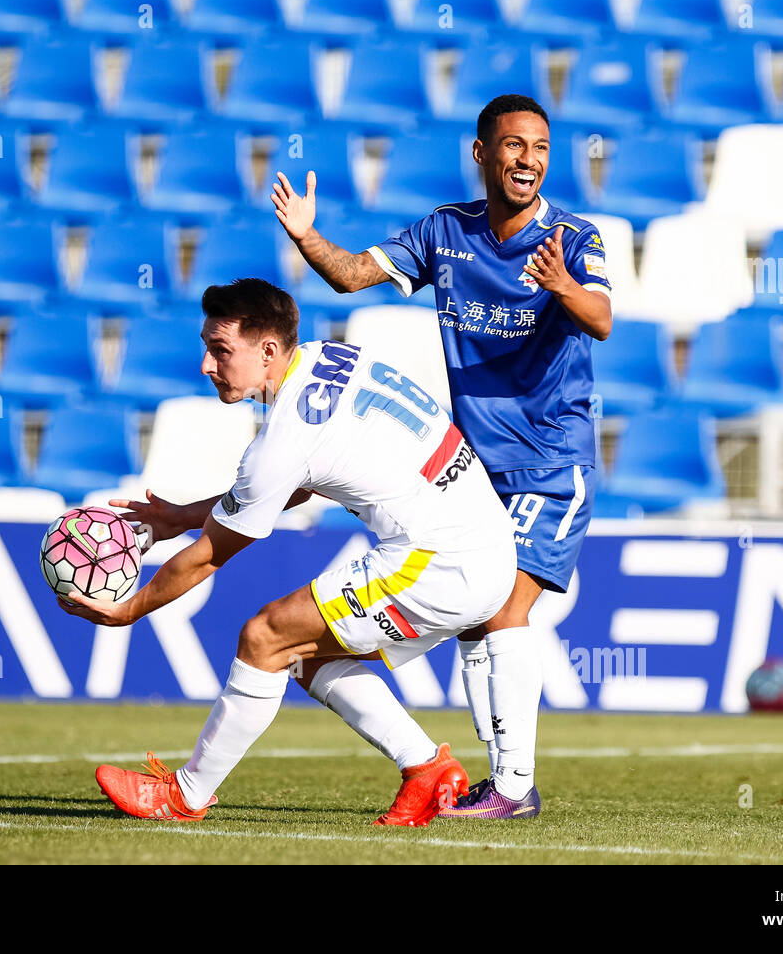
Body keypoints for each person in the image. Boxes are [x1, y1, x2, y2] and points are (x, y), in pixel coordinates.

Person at [58, 277, 517, 826]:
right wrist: (176, 516)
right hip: (482, 541)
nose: (207, 364)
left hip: (442, 558)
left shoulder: (286, 436)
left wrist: (129, 610)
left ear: (268, 350)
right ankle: (426, 771)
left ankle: (186, 795)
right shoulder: (330, 357)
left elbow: (209, 555)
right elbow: (300, 482)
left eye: (221, 350)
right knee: (300, 654)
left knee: (265, 636)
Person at [269, 94, 612, 818]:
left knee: (502, 610)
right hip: (479, 470)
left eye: (542, 148)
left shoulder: (574, 237)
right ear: (482, 152)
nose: (529, 159)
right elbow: (352, 275)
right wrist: (307, 236)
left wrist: (561, 286)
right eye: (514, 145)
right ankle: (500, 780)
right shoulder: (444, 232)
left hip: (553, 460)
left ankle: (515, 787)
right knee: (472, 620)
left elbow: (602, 319)